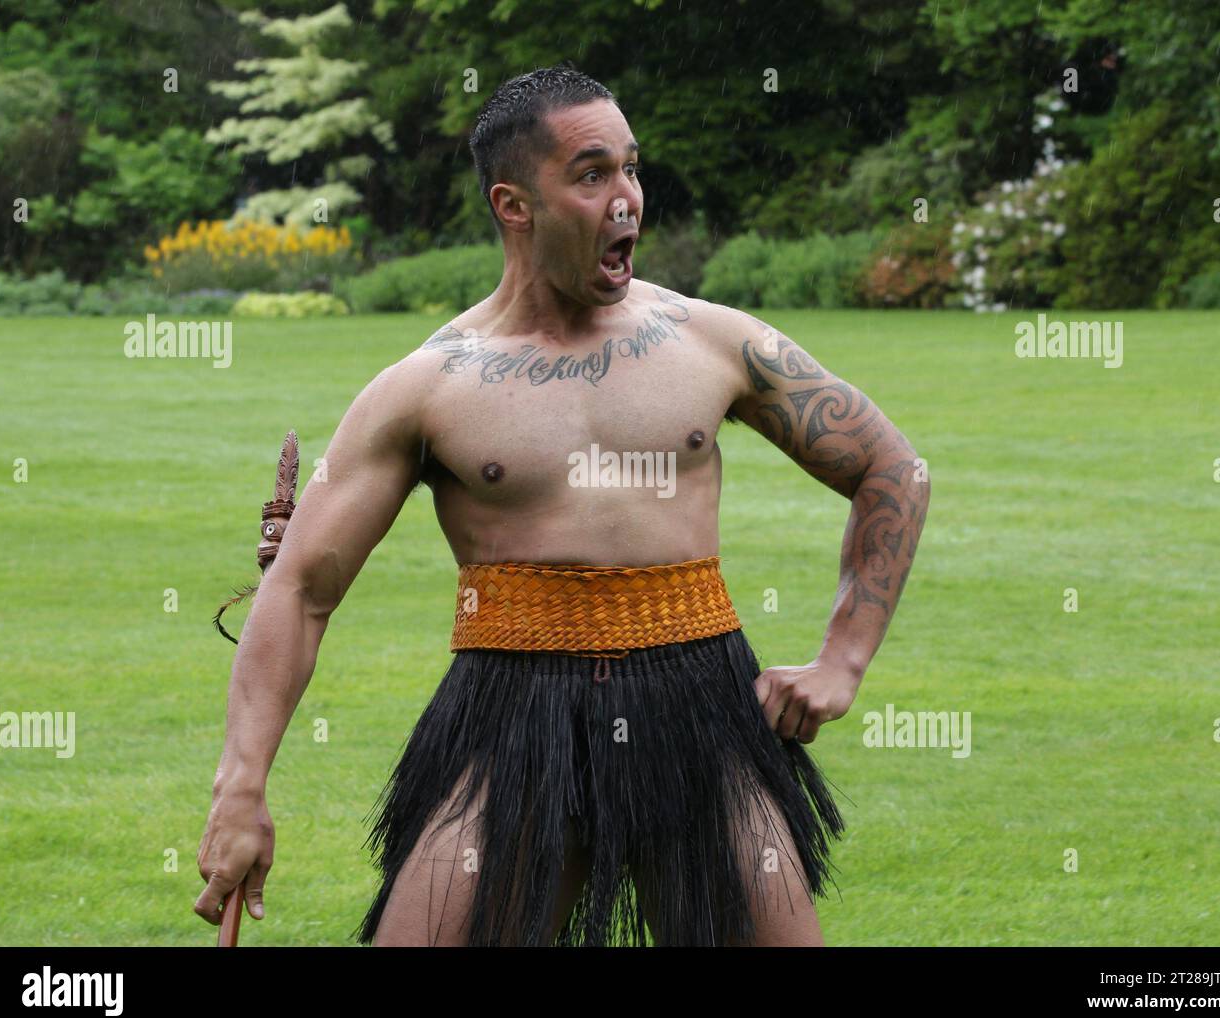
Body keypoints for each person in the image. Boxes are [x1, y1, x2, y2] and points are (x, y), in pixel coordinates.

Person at [194, 61, 930, 947]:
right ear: (515, 205)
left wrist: (842, 661)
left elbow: (893, 470)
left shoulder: (712, 343)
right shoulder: (428, 387)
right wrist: (240, 789)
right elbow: (302, 589)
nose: (627, 199)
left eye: (632, 168)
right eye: (591, 174)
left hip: (703, 706)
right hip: (508, 715)